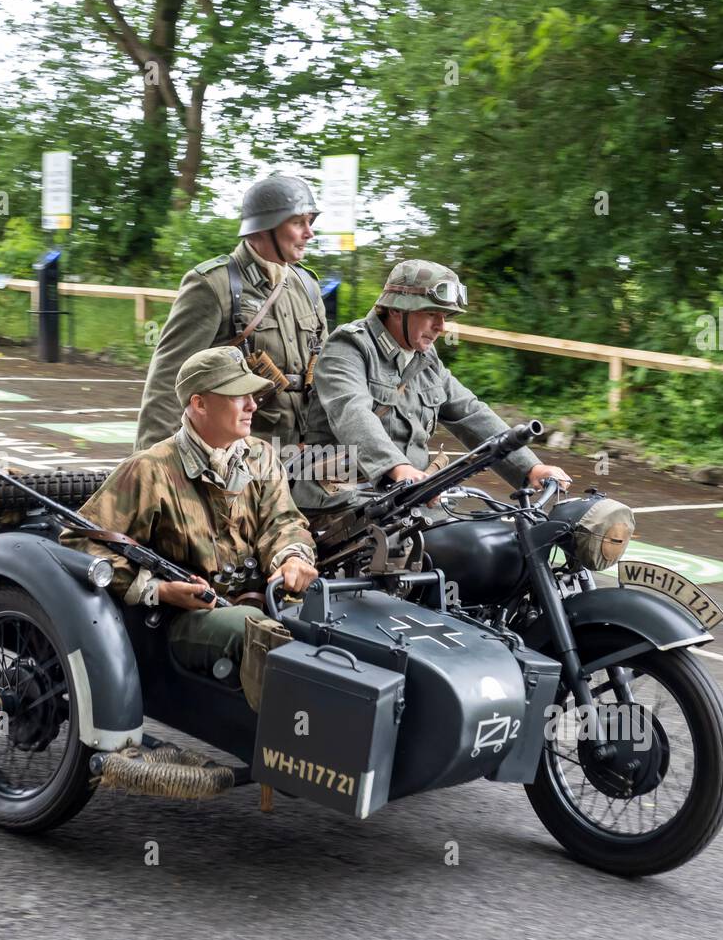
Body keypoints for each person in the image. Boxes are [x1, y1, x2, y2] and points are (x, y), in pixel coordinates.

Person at [61, 346, 318, 707]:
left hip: (259, 598)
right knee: (258, 632)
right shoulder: (151, 470)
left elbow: (283, 521)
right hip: (181, 621)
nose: (252, 406)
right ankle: (291, 747)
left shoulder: (260, 454)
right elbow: (78, 542)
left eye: (251, 395)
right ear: (199, 404)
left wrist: (290, 558)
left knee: (329, 623)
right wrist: (159, 590)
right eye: (238, 396)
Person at [292, 259, 571, 518]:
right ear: (396, 309)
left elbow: (471, 413)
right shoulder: (349, 346)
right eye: (431, 314)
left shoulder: (425, 359)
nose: (440, 326)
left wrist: (531, 467)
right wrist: (398, 469)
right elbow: (351, 412)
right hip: (342, 499)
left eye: (445, 316)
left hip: (407, 500)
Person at [134, 173, 328, 453]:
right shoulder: (214, 285)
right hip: (237, 455)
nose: (309, 233)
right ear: (264, 228)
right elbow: (167, 380)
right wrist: (150, 465)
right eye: (298, 222)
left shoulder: (307, 287)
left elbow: (325, 372)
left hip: (301, 452)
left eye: (309, 222)